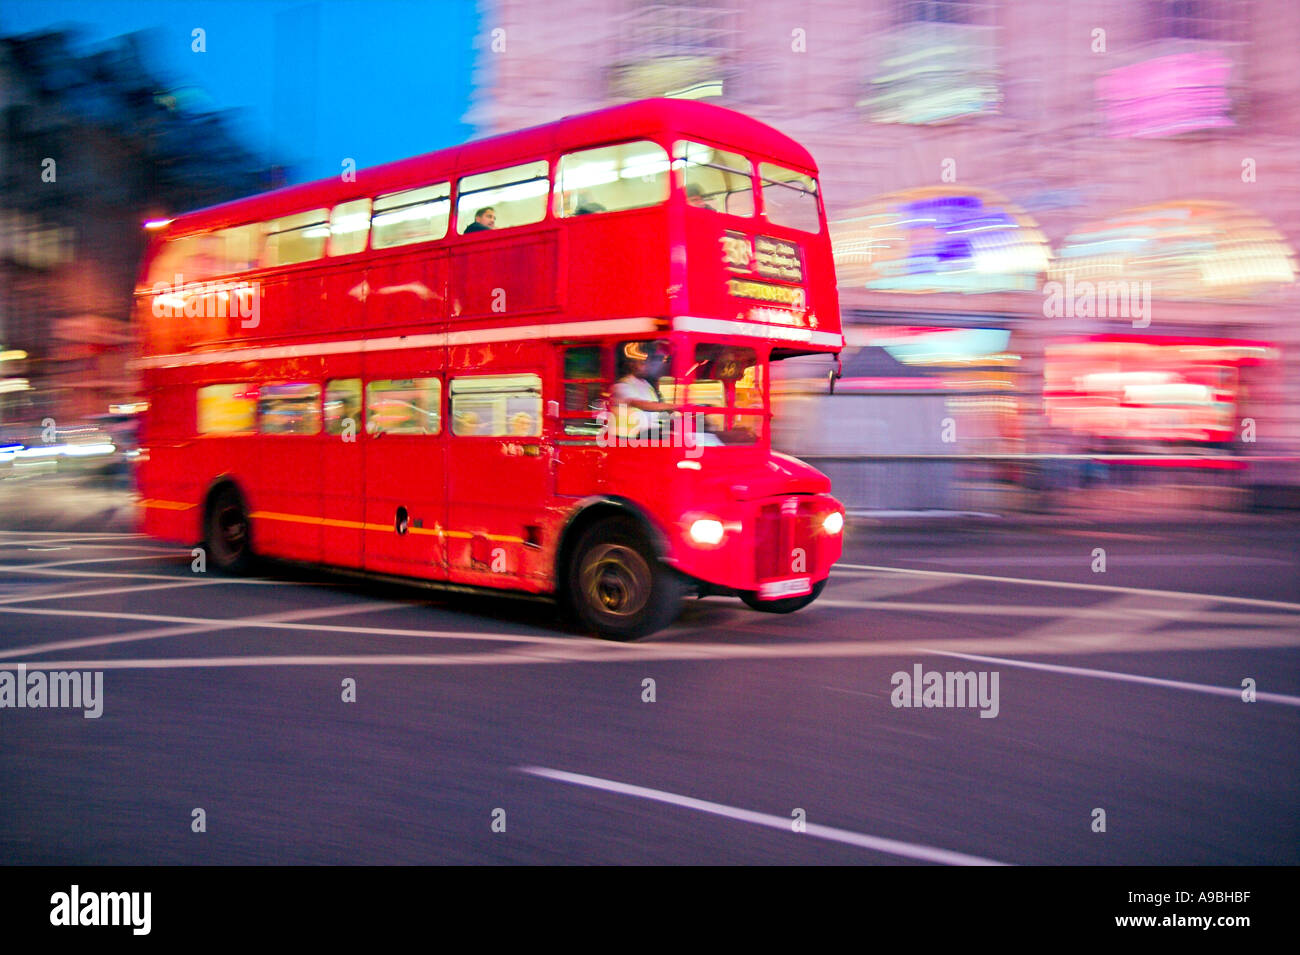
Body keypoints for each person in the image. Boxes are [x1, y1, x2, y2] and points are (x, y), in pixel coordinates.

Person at [611, 342, 675, 440]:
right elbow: (642, 404)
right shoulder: (622, 385)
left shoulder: (647, 385)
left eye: (647, 363)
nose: (647, 366)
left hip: (649, 435)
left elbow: (657, 407)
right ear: (631, 364)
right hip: (628, 439)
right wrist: (674, 406)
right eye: (642, 363)